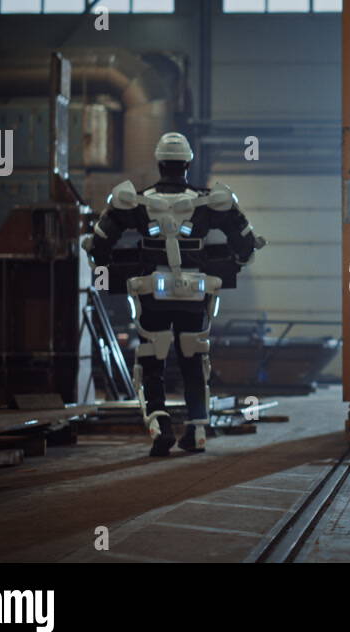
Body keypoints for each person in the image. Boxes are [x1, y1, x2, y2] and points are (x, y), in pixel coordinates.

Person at [86, 132, 265, 456]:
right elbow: (245, 243)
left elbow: (99, 243)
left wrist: (108, 264)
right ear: (187, 163)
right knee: (194, 357)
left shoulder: (136, 201)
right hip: (195, 292)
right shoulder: (209, 200)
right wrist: (234, 262)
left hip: (151, 292)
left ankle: (160, 425)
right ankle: (196, 430)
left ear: (159, 163)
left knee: (152, 359)